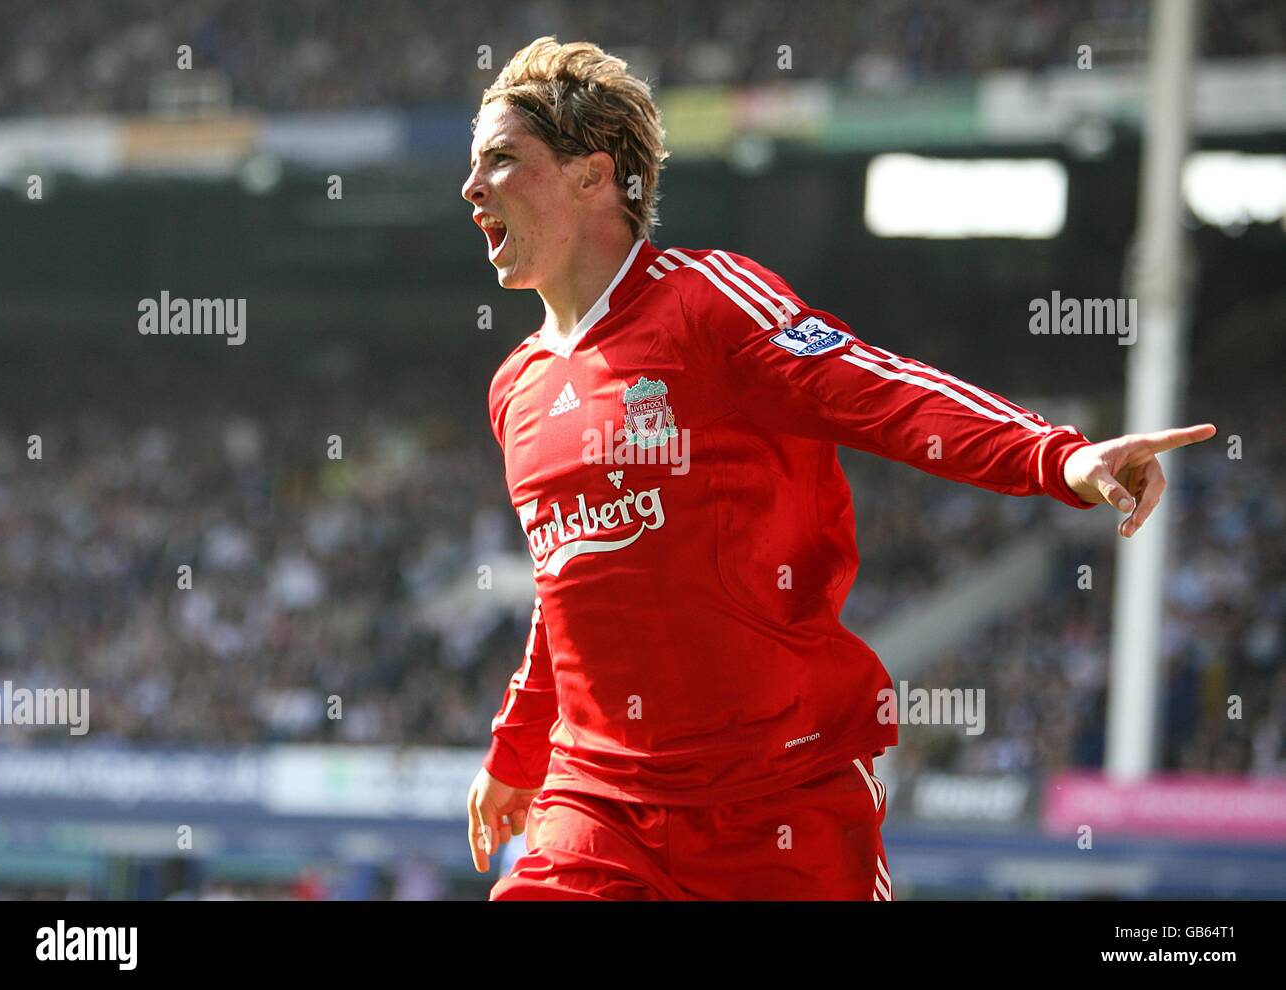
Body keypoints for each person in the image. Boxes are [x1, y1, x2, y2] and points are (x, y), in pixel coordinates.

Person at [460, 36, 1215, 900]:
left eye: (502, 160)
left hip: (779, 803)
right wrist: (518, 749)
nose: (472, 187)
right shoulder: (514, 386)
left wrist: (1059, 455)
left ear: (594, 177)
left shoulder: (706, 306)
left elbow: (880, 393)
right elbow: (570, 590)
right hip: (599, 813)